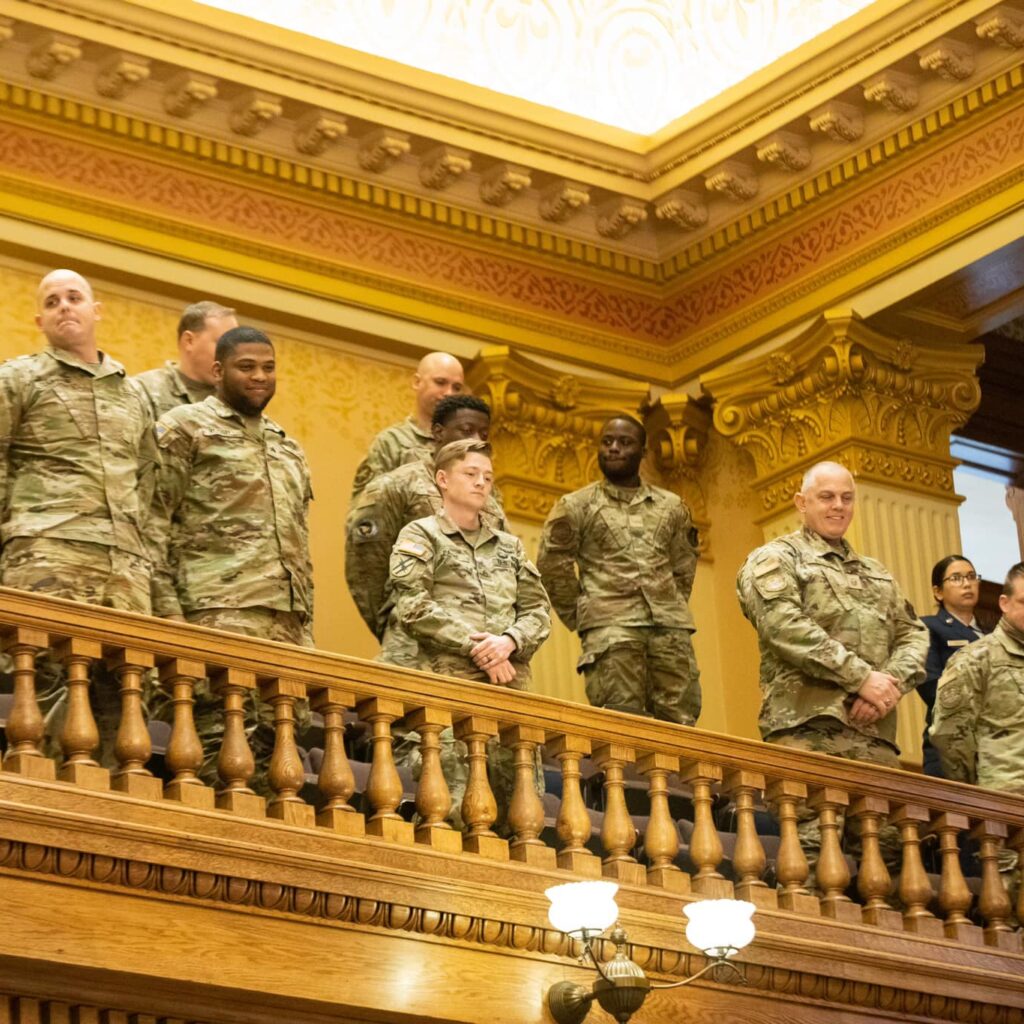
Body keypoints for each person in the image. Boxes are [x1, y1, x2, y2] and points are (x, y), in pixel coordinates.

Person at [736, 460, 928, 877]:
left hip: (875, 739)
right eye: (826, 497)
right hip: (807, 732)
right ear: (801, 502)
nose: (838, 506)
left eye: (846, 497)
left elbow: (914, 636)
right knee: (809, 857)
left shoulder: (877, 573)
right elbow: (784, 626)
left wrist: (886, 688)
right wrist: (862, 678)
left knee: (891, 866)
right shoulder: (775, 559)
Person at [0, 269, 158, 766]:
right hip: (46, 558)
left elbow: (148, 483)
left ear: (96, 310)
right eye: (53, 301)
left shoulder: (133, 396)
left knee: (124, 702)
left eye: (74, 297)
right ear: (40, 320)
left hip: (125, 572)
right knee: (47, 695)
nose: (65, 306)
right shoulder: (18, 379)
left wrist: (142, 557)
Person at [147, 325, 314, 791]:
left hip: (287, 630)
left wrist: (307, 630)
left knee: (278, 772)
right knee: (214, 761)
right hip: (216, 616)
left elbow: (299, 543)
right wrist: (168, 619)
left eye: (268, 367)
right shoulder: (183, 428)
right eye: (246, 367)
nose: (259, 376)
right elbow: (153, 521)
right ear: (218, 371)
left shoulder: (287, 446)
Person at [379, 439, 550, 830]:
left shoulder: (509, 547)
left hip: (510, 693)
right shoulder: (420, 536)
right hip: (449, 689)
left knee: (520, 818)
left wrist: (507, 642)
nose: (480, 484)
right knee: (451, 810)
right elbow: (413, 607)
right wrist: (481, 647)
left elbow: (539, 611)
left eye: (487, 477)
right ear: (442, 479)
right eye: (470, 474)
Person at [537, 414, 701, 725]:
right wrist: (585, 613)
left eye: (624, 443)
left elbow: (683, 564)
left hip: (670, 629)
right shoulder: (576, 505)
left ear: (643, 452)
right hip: (610, 630)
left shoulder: (672, 506)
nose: (613, 448)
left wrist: (671, 604)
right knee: (621, 722)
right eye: (607, 442)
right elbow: (552, 565)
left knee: (681, 722)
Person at [346, 394, 505, 639]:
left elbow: (508, 569)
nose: (476, 440)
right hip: (414, 638)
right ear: (438, 433)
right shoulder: (398, 485)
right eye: (466, 430)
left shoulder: (489, 500)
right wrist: (391, 617)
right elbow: (367, 563)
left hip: (479, 642)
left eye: (483, 434)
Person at [931, 562, 1024, 793]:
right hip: (1006, 798)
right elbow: (949, 735)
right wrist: (976, 792)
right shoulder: (976, 658)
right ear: (1004, 603)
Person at [350, 351, 464, 499]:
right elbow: (365, 511)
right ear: (417, 382)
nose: (449, 393)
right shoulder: (391, 443)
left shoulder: (465, 448)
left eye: (456, 388)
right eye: (440, 382)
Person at [919, 555, 986, 777]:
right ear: (938, 592)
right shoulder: (928, 627)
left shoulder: (991, 636)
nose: (966, 584)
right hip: (950, 745)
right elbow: (930, 687)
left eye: (971, 577)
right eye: (956, 578)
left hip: (991, 747)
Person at [133, 301, 238, 420]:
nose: (233, 354)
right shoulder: (142, 390)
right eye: (222, 344)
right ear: (189, 341)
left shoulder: (238, 401)